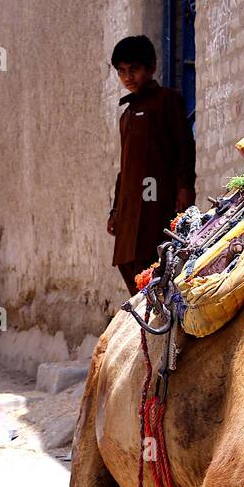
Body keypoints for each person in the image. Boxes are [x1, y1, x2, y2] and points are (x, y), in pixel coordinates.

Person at [107, 35, 196, 294]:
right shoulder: (127, 115)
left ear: (151, 68)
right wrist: (115, 211)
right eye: (121, 71)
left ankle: (159, 326)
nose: (128, 77)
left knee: (157, 264)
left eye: (134, 69)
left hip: (158, 203)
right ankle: (145, 327)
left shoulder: (167, 100)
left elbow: (184, 146)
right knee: (128, 263)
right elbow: (124, 168)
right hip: (128, 210)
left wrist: (185, 187)